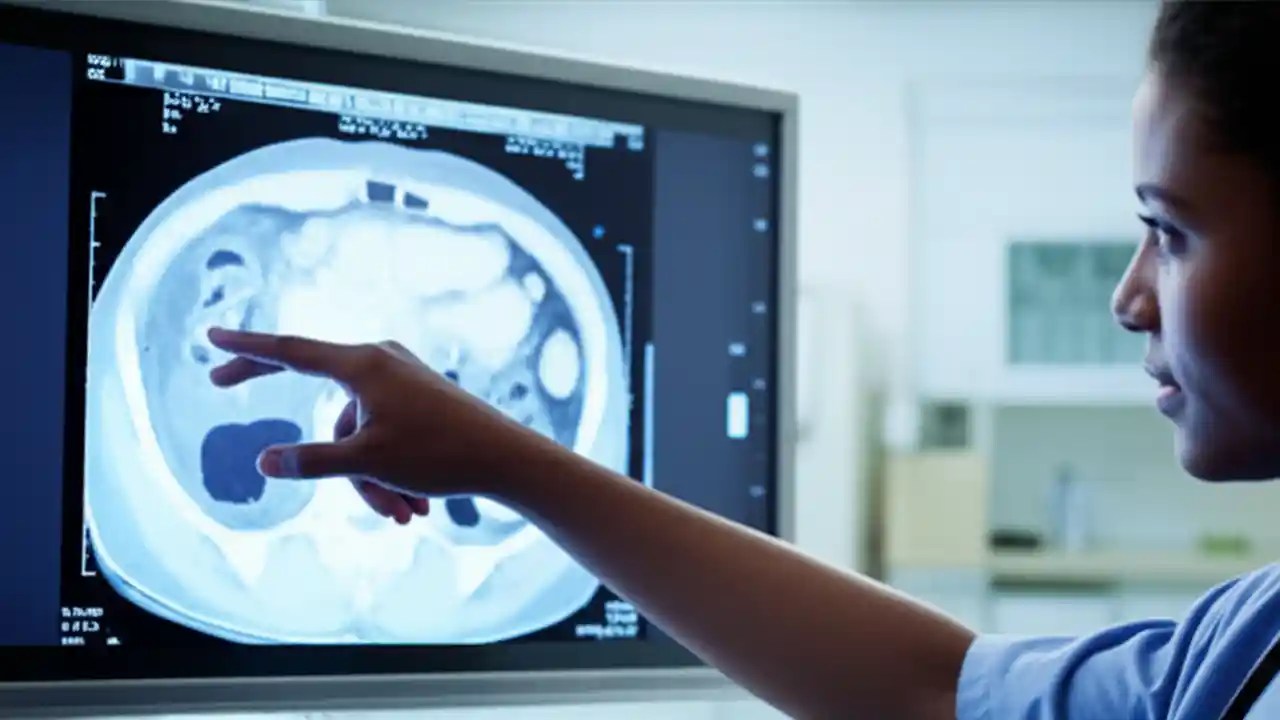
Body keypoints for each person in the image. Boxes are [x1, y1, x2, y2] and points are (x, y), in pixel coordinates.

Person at [202, 1, 1280, 717]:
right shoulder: (1245, 641)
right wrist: (509, 460)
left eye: (1169, 231)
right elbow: (935, 693)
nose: (1128, 295)